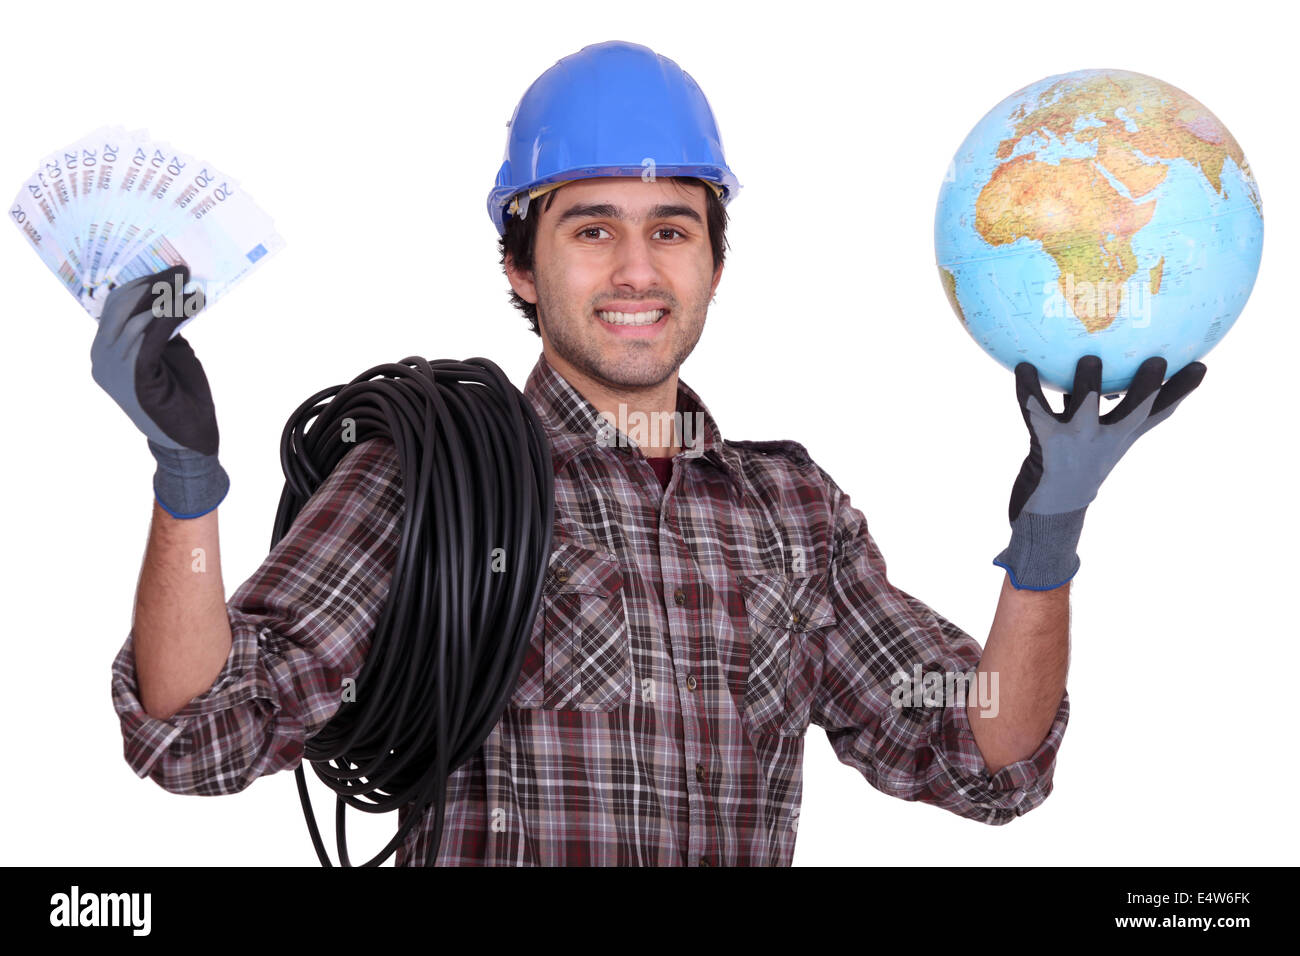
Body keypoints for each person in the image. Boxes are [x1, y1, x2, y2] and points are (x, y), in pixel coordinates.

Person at [96, 40, 1205, 866]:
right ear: (522, 267)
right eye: (591, 228)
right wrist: (187, 485)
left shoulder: (791, 512)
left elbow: (985, 747)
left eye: (670, 227)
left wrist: (1046, 543)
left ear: (714, 262)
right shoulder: (424, 480)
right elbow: (197, 730)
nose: (637, 268)